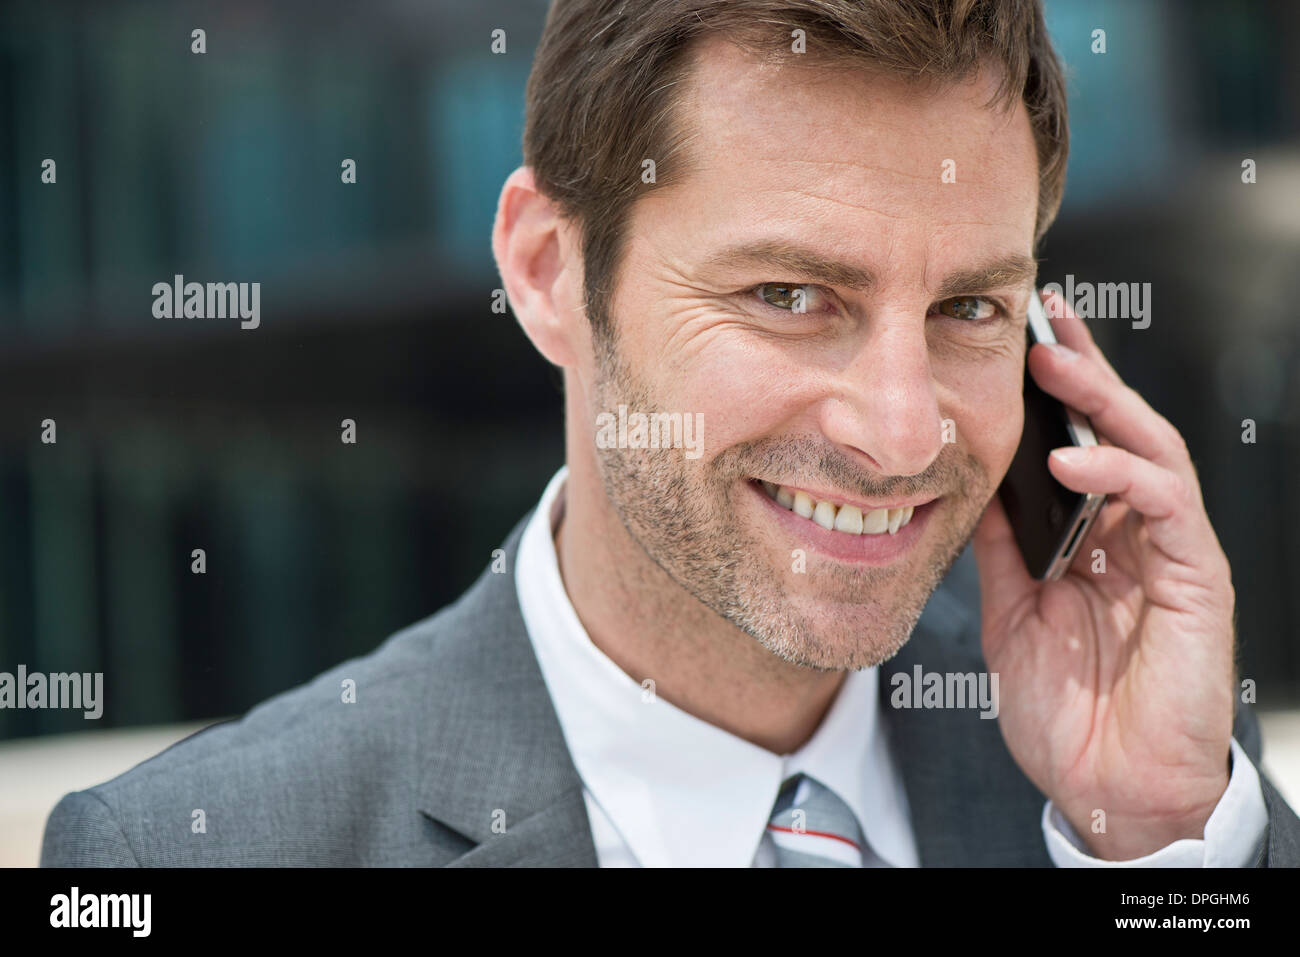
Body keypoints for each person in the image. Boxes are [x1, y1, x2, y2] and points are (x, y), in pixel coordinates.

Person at [41, 0, 1300, 867]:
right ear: (545, 272)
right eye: (789, 297)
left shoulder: (1141, 798)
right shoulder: (202, 851)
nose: (902, 431)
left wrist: (1152, 844)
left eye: (969, 306)